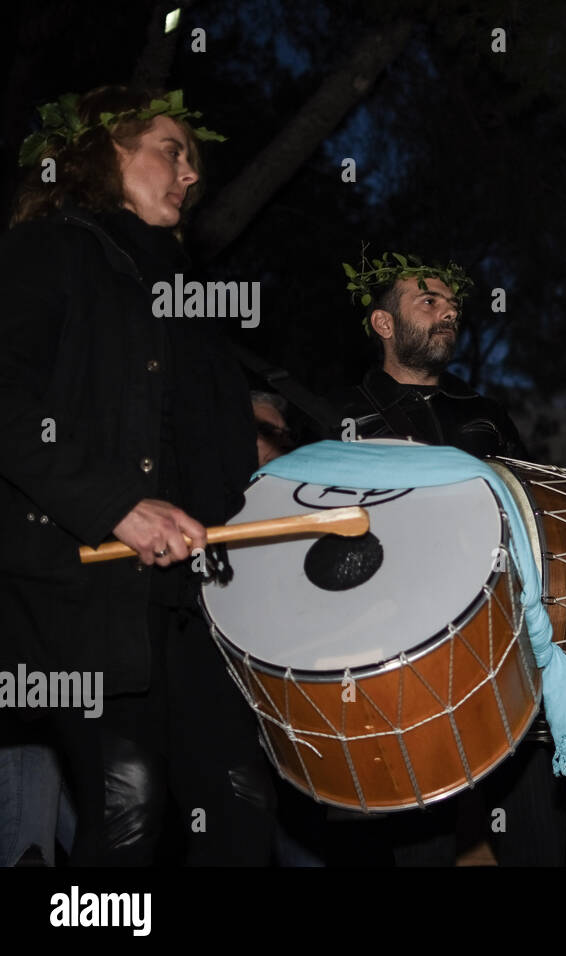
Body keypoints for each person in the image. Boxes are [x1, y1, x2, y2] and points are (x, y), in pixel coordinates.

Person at [0, 86, 275, 865]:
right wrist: (117, 505)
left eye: (193, 162)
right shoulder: (50, 248)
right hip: (77, 591)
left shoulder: (189, 300)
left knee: (242, 797)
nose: (189, 174)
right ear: (104, 149)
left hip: (191, 601)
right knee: (129, 797)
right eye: (171, 151)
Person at [319, 252, 566, 866]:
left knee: (535, 841)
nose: (448, 313)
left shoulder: (484, 413)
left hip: (502, 648)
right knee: (424, 845)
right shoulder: (336, 417)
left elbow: (530, 511)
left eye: (452, 305)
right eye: (428, 302)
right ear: (384, 324)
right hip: (405, 664)